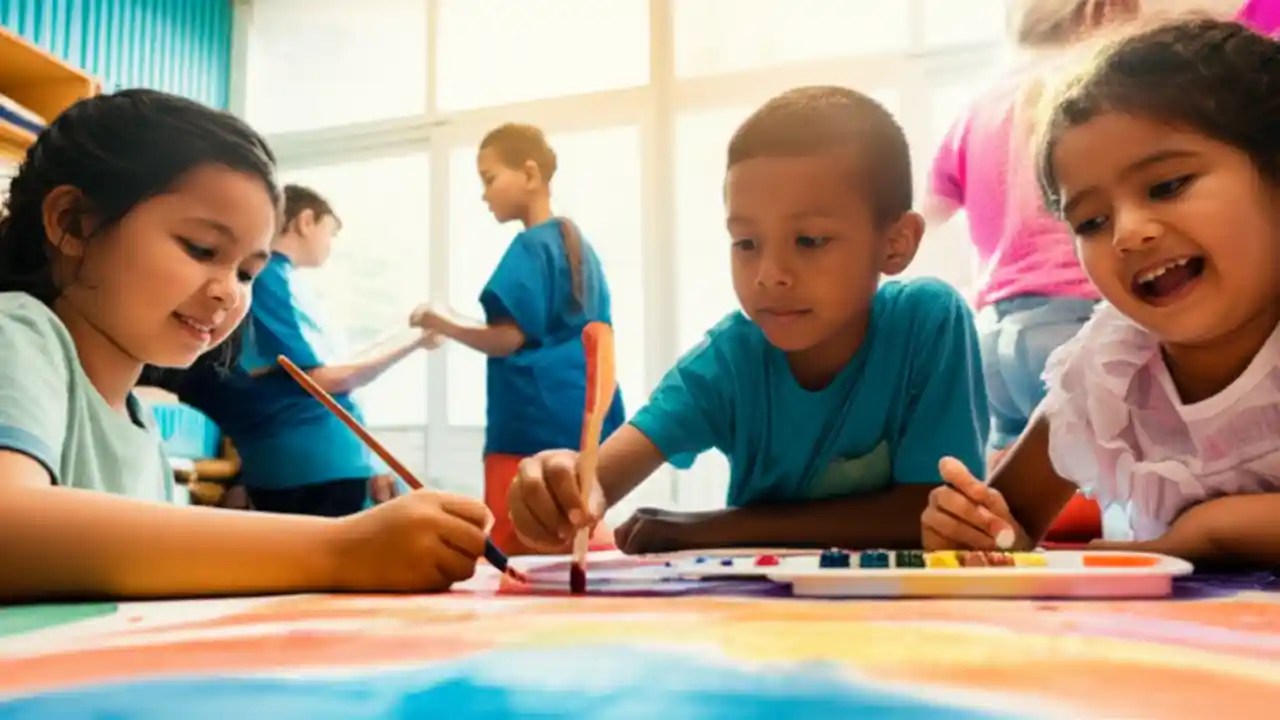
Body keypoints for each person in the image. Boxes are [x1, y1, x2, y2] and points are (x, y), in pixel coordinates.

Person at [0, 89, 489, 600]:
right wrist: (341, 547)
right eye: (202, 248)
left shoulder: (138, 426)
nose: (228, 290)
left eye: (248, 271)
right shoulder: (19, 332)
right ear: (74, 223)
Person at [507, 87, 988, 555]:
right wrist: (554, 489)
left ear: (896, 243)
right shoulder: (729, 361)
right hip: (762, 626)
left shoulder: (928, 323)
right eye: (746, 244)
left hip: (907, 626)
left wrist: (719, 527)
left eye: (810, 241)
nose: (769, 276)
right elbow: (594, 481)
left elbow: (929, 512)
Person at [921, 19, 1280, 567]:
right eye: (1090, 221)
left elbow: (1202, 539)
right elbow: (1009, 527)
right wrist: (973, 529)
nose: (1128, 233)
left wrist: (1209, 530)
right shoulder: (1109, 368)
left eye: (1168, 186)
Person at [926, 0, 1138, 461]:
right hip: (1079, 325)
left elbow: (924, 216)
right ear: (1102, 11)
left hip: (990, 341)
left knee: (1015, 504)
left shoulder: (977, 110)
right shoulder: (1094, 94)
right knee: (1123, 488)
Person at [409, 123, 623, 555]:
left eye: (489, 179)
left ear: (529, 174)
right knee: (578, 541)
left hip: (529, 428)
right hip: (580, 426)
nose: (484, 195)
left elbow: (507, 339)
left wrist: (442, 320)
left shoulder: (531, 247)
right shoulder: (578, 246)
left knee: (522, 547)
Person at [169, 184, 438, 517]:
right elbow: (321, 381)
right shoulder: (267, 279)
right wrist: (414, 342)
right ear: (306, 221)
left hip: (323, 463)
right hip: (305, 468)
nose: (330, 245)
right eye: (331, 233)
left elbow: (324, 373)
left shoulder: (288, 284)